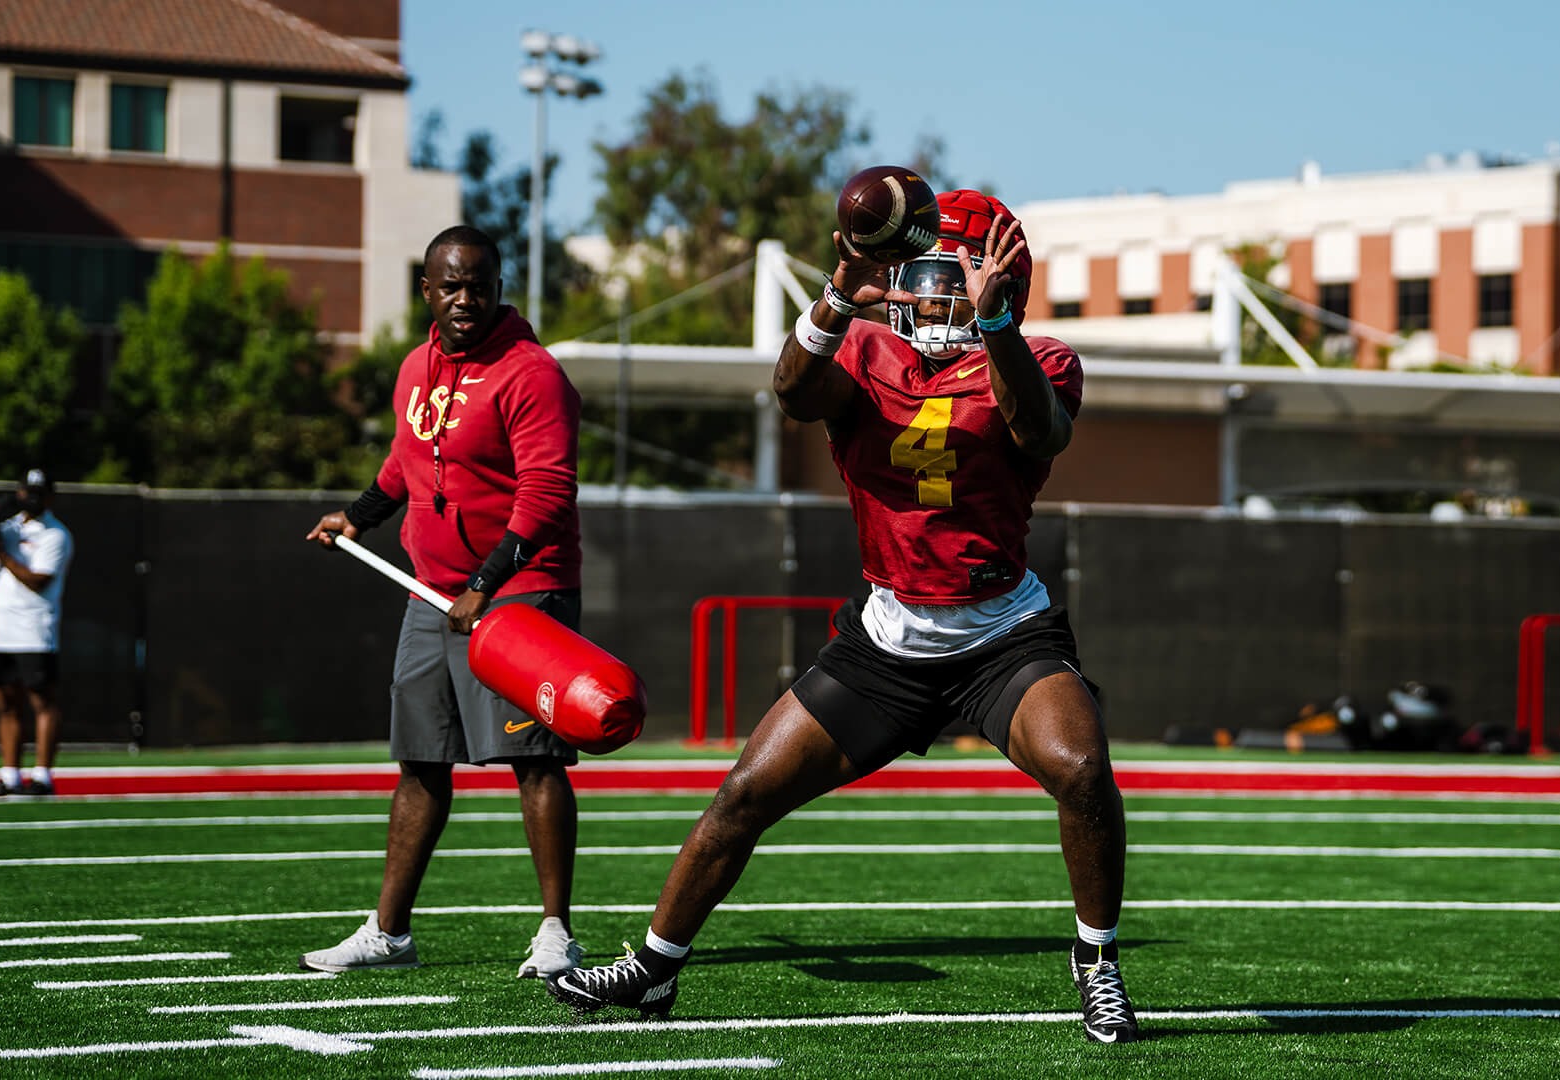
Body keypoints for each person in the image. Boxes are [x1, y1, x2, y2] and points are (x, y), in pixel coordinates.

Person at [550, 192, 1140, 1043]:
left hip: (998, 633)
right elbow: (792, 392)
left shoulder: (1040, 355)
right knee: (743, 796)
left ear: (1002, 278)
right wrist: (834, 295)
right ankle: (654, 969)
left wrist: (997, 322)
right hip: (889, 637)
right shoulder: (868, 348)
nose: (928, 295)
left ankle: (1097, 963)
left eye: (953, 277)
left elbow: (1039, 434)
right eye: (923, 276)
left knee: (1082, 768)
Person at [301, 224, 587, 981]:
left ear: (499, 285)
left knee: (535, 761)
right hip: (431, 595)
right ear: (426, 291)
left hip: (520, 594)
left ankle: (556, 932)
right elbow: (404, 462)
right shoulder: (416, 367)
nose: (466, 298)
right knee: (420, 761)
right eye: (451, 285)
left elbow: (548, 495)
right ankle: (389, 933)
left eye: (479, 283)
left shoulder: (532, 373)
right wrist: (357, 516)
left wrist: (485, 586)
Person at [0, 468, 74, 796]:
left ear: (50, 496)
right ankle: (10, 775)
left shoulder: (56, 534)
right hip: (2, 627)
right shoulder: (9, 528)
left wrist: (1, 552)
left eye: (39, 493)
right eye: (28, 492)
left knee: (42, 700)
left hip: (35, 628)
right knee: (6, 701)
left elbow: (38, 580)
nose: (32, 498)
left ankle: (42, 775)